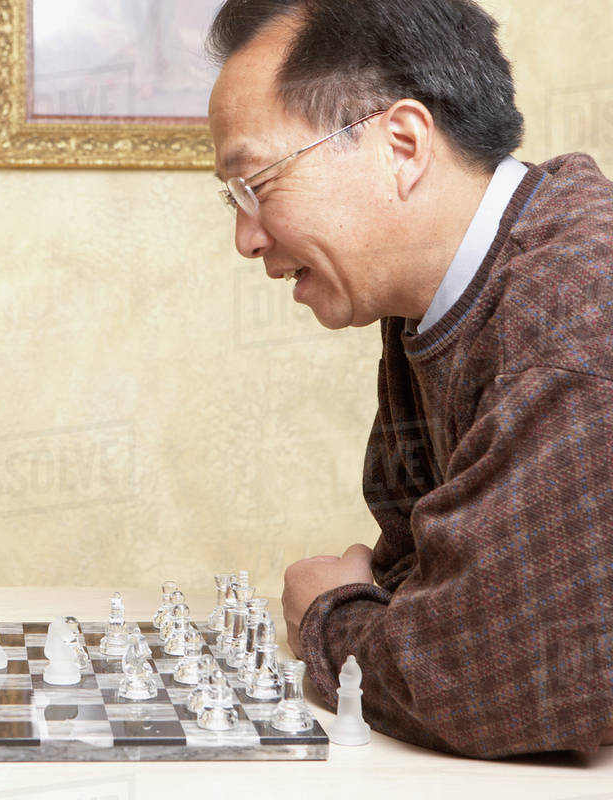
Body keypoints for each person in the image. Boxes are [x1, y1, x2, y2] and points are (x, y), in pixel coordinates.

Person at [205, 0, 613, 757]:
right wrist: (402, 612)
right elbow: (417, 572)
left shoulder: (577, 308)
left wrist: (329, 615)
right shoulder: (439, 293)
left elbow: (497, 682)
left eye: (257, 183)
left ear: (400, 144)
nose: (246, 237)